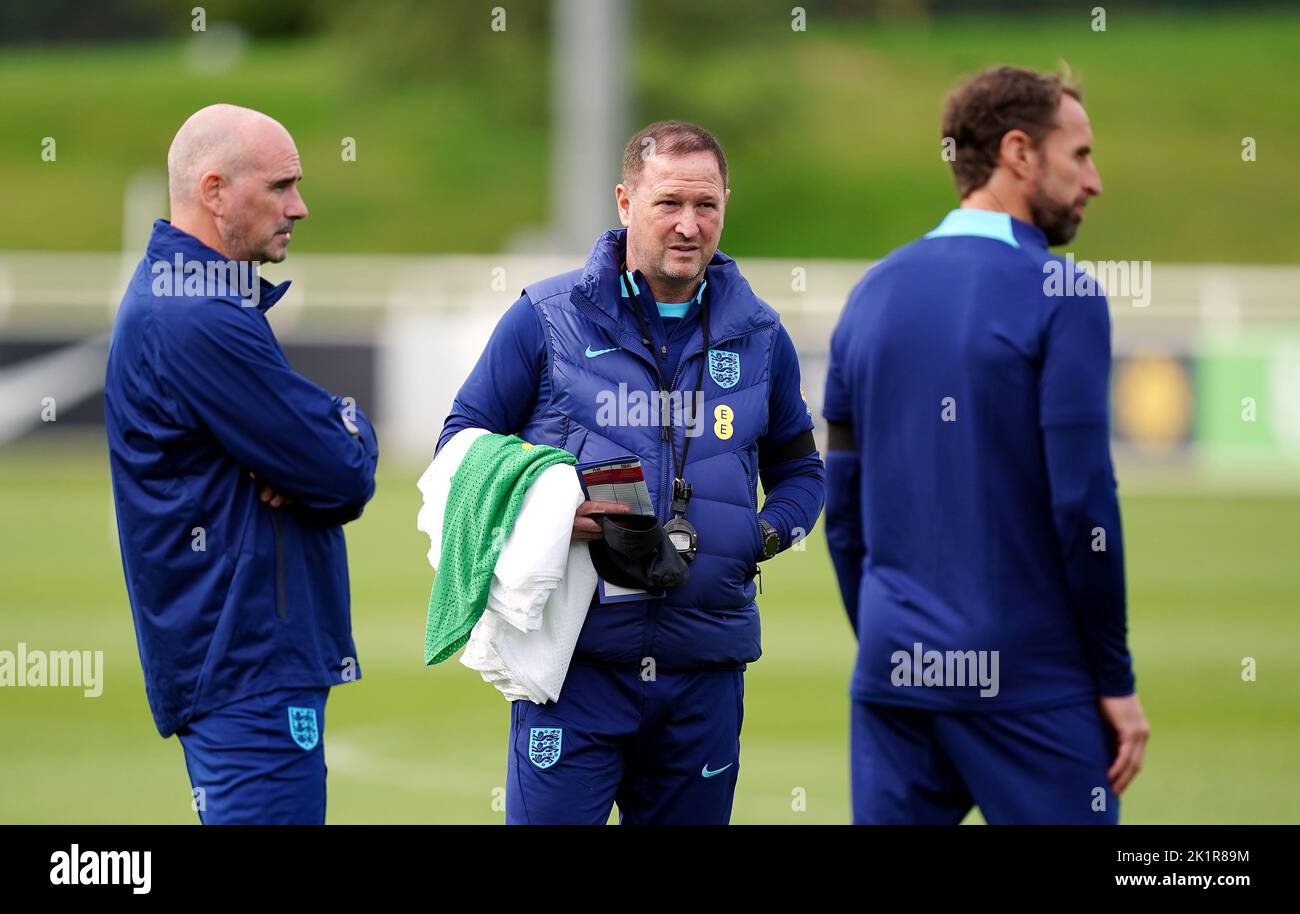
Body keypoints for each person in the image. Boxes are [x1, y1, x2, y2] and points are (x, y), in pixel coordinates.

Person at [439, 120, 826, 824]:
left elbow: (802, 471)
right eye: (668, 203)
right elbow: (461, 445)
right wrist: (550, 512)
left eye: (706, 205)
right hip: (572, 670)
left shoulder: (762, 334)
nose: (688, 224)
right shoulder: (545, 319)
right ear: (625, 202)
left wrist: (760, 536)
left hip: (704, 673)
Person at [823, 67, 1150, 824]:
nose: (1094, 182)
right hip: (1029, 683)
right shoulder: (1062, 293)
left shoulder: (870, 293)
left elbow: (841, 514)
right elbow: (1084, 507)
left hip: (894, 676)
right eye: (1081, 155)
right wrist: (1115, 679)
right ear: (1019, 153)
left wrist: (888, 640)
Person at [104, 104, 379, 824]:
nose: (301, 207)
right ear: (216, 190)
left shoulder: (196, 300)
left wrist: (328, 435)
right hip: (247, 662)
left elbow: (321, 455)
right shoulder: (194, 315)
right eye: (282, 187)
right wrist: (343, 430)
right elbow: (340, 471)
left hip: (245, 660)